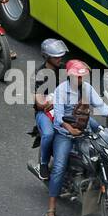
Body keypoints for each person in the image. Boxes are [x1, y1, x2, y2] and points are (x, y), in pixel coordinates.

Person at [45, 59, 108, 216]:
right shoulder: (61, 91)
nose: (80, 80)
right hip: (65, 133)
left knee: (103, 146)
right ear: (69, 76)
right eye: (78, 77)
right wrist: (70, 130)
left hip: (84, 127)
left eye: (82, 77)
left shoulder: (86, 89)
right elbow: (58, 118)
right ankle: (51, 208)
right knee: (59, 167)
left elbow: (102, 107)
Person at [31, 38, 69, 181]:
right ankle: (43, 164)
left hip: (65, 108)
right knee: (48, 134)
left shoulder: (65, 69)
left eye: (61, 55)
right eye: (56, 56)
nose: (60, 58)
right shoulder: (39, 75)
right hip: (44, 114)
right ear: (47, 56)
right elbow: (41, 104)